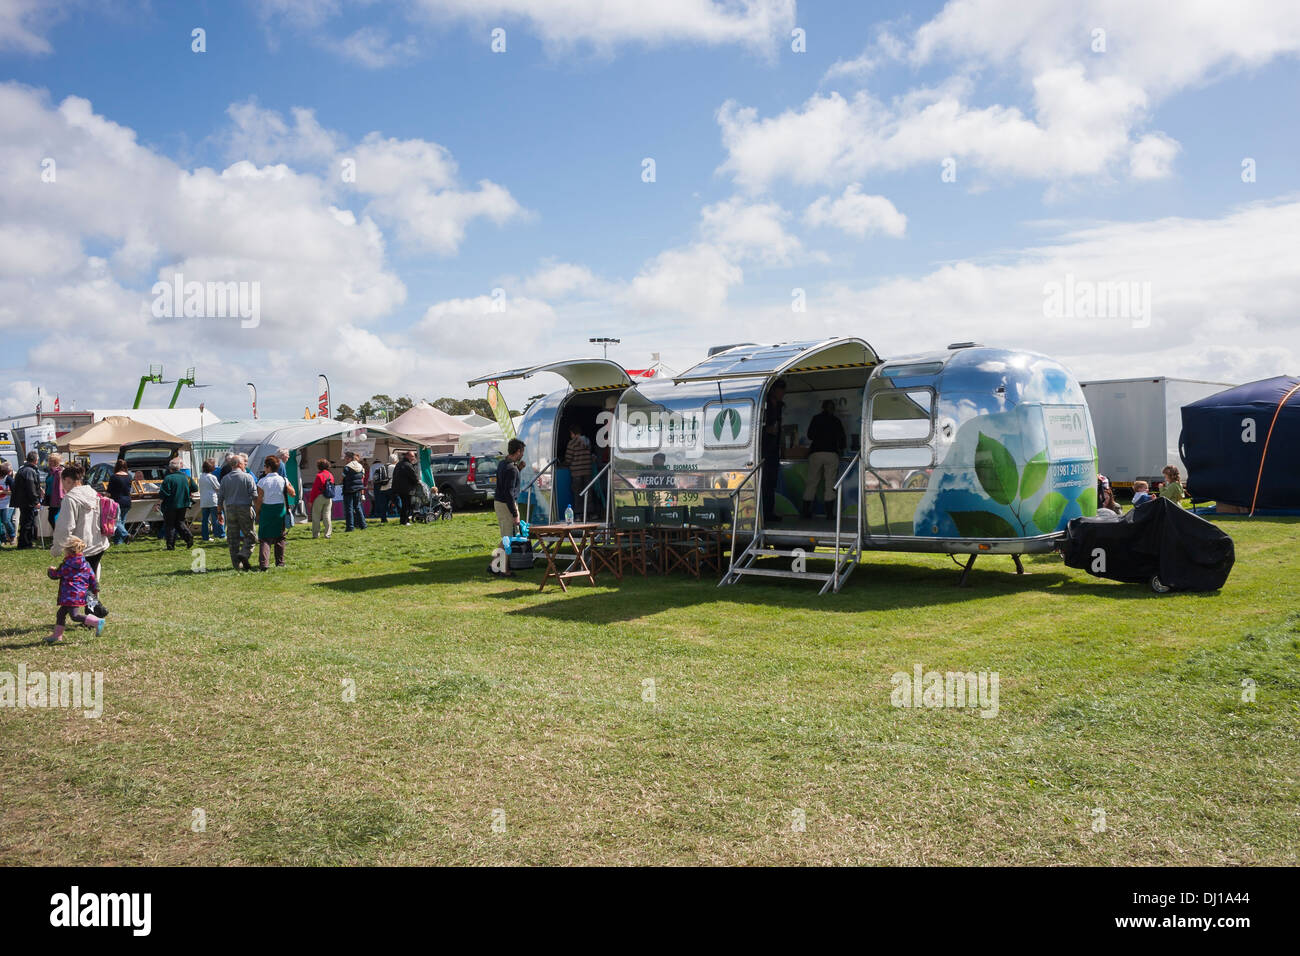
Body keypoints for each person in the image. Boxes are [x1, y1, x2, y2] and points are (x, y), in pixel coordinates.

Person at [48, 462, 111, 583]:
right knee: (92, 580)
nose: (62, 487)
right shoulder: (93, 493)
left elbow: (65, 527)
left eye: (62, 483)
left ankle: (91, 601)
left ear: (67, 480)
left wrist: (56, 549)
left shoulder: (70, 498)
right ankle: (93, 599)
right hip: (99, 544)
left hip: (80, 548)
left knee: (79, 587)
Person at [45, 535, 104, 643]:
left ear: (68, 551)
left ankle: (97, 622)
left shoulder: (67, 564)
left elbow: (57, 574)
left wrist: (50, 570)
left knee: (75, 616)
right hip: (79, 593)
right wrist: (95, 589)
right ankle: (57, 635)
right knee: (61, 614)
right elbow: (92, 577)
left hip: (70, 594)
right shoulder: (85, 564)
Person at [803, 400, 846, 520]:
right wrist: (841, 449)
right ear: (833, 409)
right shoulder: (836, 421)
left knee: (812, 482)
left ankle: (806, 512)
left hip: (816, 452)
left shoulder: (816, 418)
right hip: (831, 453)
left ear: (822, 408)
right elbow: (842, 438)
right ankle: (829, 514)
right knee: (830, 483)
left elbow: (810, 435)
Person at [254, 454, 296, 570]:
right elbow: (293, 493)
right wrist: (289, 485)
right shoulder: (283, 479)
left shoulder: (262, 481)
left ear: (268, 467)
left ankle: (264, 564)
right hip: (280, 510)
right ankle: (280, 562)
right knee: (280, 537)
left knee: (264, 538)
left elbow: (259, 499)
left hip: (267, 510)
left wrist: (257, 512)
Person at [218, 454, 258, 571]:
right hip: (245, 508)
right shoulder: (247, 477)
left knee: (233, 538)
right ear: (240, 464)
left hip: (230, 509)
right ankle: (244, 553)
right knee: (251, 536)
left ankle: (237, 565)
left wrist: (219, 513)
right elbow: (254, 495)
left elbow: (220, 497)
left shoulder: (225, 479)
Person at [493, 439, 525, 559]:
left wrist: (519, 470)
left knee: (507, 538)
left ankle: (495, 565)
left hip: (499, 502)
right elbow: (509, 493)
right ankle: (502, 569)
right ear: (518, 451)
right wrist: (515, 513)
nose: (522, 455)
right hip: (506, 503)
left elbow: (506, 481)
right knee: (508, 539)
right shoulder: (512, 468)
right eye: (522, 452)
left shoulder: (503, 463)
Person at [761, 378, 786, 523]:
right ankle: (764, 513)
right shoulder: (765, 405)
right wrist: (767, 430)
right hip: (764, 450)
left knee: (771, 483)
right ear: (774, 390)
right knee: (764, 483)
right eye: (781, 389)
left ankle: (769, 512)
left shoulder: (779, 406)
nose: (782, 393)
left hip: (773, 450)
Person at [158, 458, 196, 550]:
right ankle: (188, 537)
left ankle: (170, 545)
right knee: (180, 522)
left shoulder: (168, 478)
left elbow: (164, 493)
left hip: (170, 505)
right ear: (180, 467)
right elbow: (195, 488)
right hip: (183, 504)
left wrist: (158, 503)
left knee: (170, 525)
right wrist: (187, 490)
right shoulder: (186, 477)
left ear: (170, 469)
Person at [12, 451, 44, 549]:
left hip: (23, 501)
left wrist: (39, 489)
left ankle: (25, 542)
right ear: (35, 460)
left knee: (25, 522)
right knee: (27, 523)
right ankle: (25, 544)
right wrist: (36, 501)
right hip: (28, 502)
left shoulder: (23, 469)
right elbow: (31, 488)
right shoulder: (30, 471)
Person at [565, 422, 593, 519]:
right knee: (588, 493)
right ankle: (590, 514)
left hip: (576, 472)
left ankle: (578, 515)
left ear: (573, 433)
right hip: (587, 471)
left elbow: (568, 459)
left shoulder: (572, 443)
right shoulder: (587, 441)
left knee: (577, 494)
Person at [106, 458, 133, 544]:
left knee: (115, 521)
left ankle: (125, 535)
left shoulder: (114, 477)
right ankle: (118, 542)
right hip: (127, 501)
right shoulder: (129, 476)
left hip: (117, 501)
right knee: (122, 522)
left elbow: (109, 491)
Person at [198, 459, 225, 541]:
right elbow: (218, 488)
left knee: (205, 520)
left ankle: (205, 536)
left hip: (204, 501)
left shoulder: (201, 476)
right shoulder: (212, 477)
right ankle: (220, 534)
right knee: (217, 518)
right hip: (212, 500)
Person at [391, 450, 421, 525]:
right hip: (406, 489)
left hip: (399, 488)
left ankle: (404, 520)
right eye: (412, 456)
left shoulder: (399, 464)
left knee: (405, 505)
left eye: (414, 456)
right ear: (407, 456)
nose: (413, 458)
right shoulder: (407, 465)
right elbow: (413, 476)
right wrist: (417, 482)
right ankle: (405, 521)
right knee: (406, 505)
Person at [341, 451, 367, 531]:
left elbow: (342, 478)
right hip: (358, 490)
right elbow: (362, 477)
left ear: (349, 458)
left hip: (348, 490)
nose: (345, 459)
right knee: (358, 507)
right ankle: (363, 525)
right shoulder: (360, 467)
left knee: (349, 508)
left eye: (345, 458)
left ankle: (350, 527)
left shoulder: (347, 467)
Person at [309, 458, 335, 539]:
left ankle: (316, 534)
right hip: (328, 497)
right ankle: (328, 534)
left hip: (319, 497)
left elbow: (314, 490)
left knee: (316, 516)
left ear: (319, 466)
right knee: (327, 515)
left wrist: (310, 500)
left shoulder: (319, 476)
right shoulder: (331, 475)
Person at [370, 454, 395, 523]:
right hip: (390, 486)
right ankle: (400, 516)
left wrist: (373, 486)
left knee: (381, 503)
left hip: (380, 486)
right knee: (395, 501)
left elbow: (371, 478)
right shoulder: (386, 465)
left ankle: (381, 517)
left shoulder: (373, 466)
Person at [45, 452, 64, 529]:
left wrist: (61, 498)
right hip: (50, 498)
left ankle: (58, 536)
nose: (49, 462)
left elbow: (62, 487)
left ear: (55, 462)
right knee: (51, 518)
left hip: (57, 499)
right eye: (49, 460)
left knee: (53, 518)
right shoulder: (51, 472)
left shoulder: (59, 472)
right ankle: (57, 535)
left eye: (51, 460)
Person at [0, 461, 15, 546]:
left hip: (7, 503)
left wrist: (3, 492)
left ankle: (12, 536)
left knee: (5, 520)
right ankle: (3, 539)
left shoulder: (8, 479)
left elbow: (14, 491)